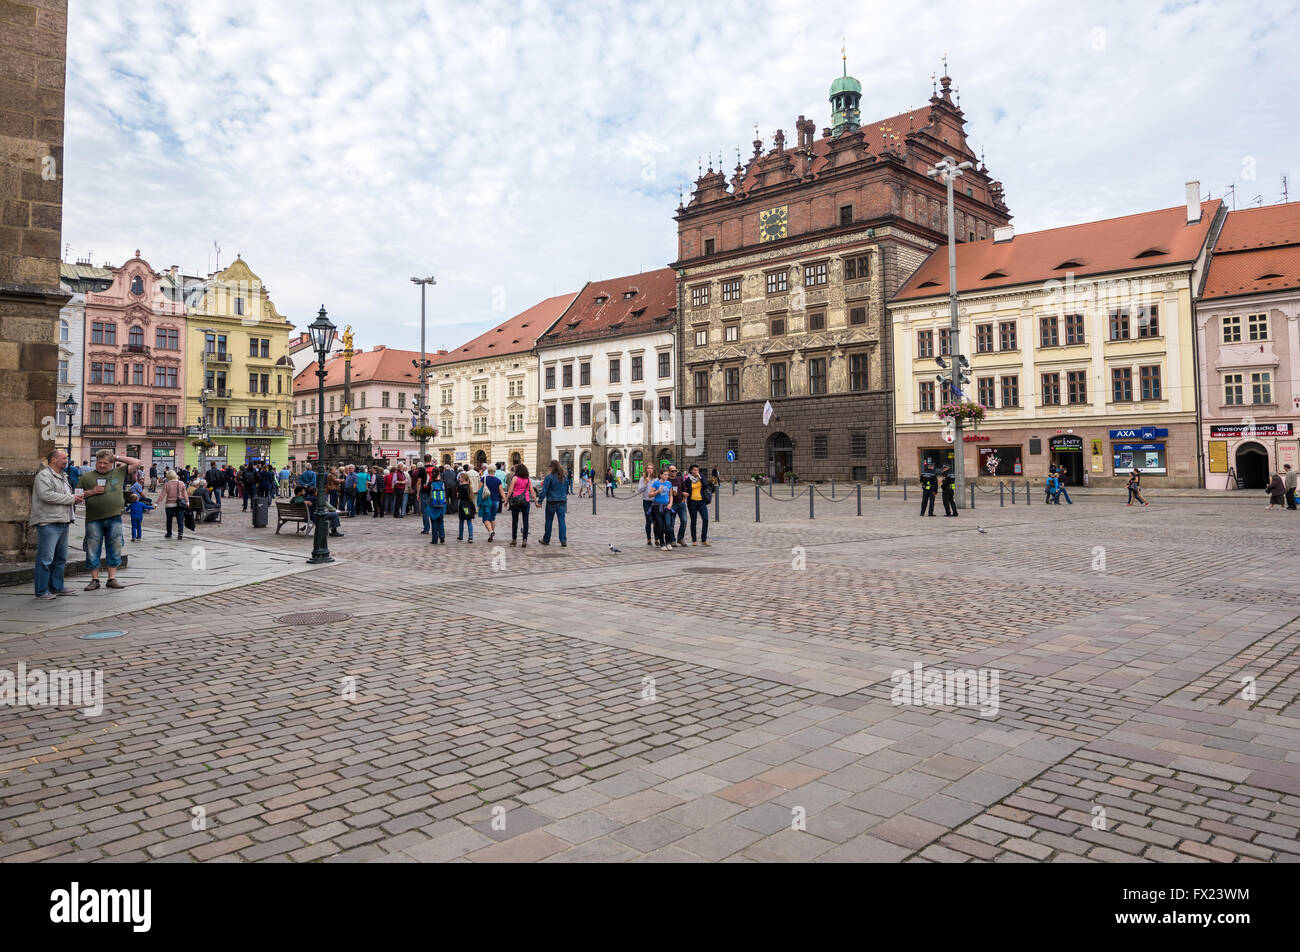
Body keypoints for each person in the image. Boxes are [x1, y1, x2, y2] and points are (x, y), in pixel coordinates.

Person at [76, 448, 140, 590]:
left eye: (106, 463)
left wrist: (116, 457)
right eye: (100, 462)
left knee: (115, 547)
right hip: (93, 518)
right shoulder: (86, 477)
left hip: (114, 517)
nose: (102, 465)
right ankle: (95, 580)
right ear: (95, 462)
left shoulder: (119, 472)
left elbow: (137, 462)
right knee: (93, 549)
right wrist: (92, 492)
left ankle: (112, 578)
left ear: (111, 463)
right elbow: (77, 497)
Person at [30, 449, 85, 600]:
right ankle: (42, 591)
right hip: (49, 521)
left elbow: (65, 495)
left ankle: (57, 587)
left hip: (63, 521)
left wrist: (75, 498)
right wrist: (71, 499)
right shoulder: (44, 475)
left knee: (60, 558)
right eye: (63, 458)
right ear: (53, 460)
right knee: (45, 559)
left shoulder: (63, 476)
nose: (66, 460)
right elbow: (46, 495)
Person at [539, 460, 568, 547]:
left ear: (552, 467)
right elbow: (566, 490)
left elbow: (544, 490)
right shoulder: (564, 477)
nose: (549, 468)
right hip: (562, 501)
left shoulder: (549, 477)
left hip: (552, 501)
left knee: (549, 521)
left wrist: (540, 501)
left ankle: (546, 539)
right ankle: (563, 540)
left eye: (549, 466)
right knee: (562, 521)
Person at [507, 463, 533, 547]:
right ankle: (524, 540)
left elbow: (510, 491)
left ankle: (514, 539)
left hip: (515, 501)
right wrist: (536, 501)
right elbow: (532, 491)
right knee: (525, 520)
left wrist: (506, 500)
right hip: (526, 500)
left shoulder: (515, 478)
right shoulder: (528, 480)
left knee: (515, 520)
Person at [685, 463, 712, 545]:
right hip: (692, 502)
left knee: (706, 519)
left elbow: (705, 486)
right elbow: (686, 490)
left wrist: (700, 478)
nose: (696, 471)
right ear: (691, 471)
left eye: (697, 470)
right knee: (693, 521)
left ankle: (704, 539)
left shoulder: (701, 477)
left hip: (701, 501)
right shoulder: (688, 480)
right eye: (695, 470)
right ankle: (694, 540)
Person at [638, 463, 663, 547]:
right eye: (648, 468)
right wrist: (646, 481)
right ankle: (648, 539)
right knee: (648, 521)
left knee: (656, 521)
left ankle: (656, 539)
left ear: (653, 470)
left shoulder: (656, 479)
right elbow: (640, 490)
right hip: (647, 501)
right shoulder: (643, 479)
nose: (650, 470)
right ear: (646, 469)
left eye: (651, 468)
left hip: (655, 501)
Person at [159, 469, 187, 539]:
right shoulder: (181, 483)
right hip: (179, 504)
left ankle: (169, 533)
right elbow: (184, 494)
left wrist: (156, 503)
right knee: (180, 520)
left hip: (169, 505)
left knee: (169, 520)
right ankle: (180, 533)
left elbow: (162, 495)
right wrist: (187, 502)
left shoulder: (167, 484)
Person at [665, 464, 688, 546]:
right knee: (671, 523)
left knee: (684, 521)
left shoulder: (680, 479)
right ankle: (672, 540)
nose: (674, 472)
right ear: (669, 472)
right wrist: (671, 493)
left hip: (681, 503)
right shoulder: (667, 481)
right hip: (672, 504)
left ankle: (680, 538)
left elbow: (684, 490)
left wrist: (683, 500)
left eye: (675, 471)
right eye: (672, 471)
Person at [424, 472, 447, 544]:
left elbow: (427, 493)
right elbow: (446, 493)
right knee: (441, 521)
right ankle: (442, 536)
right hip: (441, 504)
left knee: (433, 521)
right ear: (439, 476)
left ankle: (435, 539)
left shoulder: (430, 484)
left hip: (433, 505)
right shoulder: (443, 483)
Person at [455, 471, 476, 542]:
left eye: (460, 477)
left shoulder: (461, 487)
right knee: (468, 520)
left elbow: (459, 497)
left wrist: (458, 495)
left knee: (461, 520)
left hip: (463, 505)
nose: (459, 478)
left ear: (463, 478)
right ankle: (470, 536)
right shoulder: (469, 486)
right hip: (468, 504)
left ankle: (461, 535)